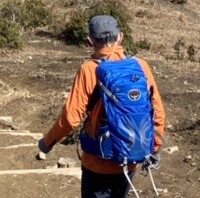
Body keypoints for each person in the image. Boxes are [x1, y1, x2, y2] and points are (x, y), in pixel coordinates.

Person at [36, 14, 166, 198]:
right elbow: (157, 111)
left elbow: (70, 118)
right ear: (120, 37)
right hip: (130, 158)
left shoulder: (89, 69)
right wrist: (153, 148)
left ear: (90, 41)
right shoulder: (141, 66)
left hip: (97, 162)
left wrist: (47, 143)